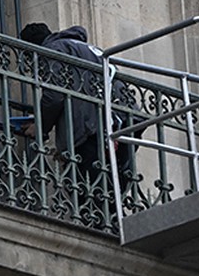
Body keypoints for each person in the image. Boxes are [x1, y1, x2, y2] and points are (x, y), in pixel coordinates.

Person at [19, 22, 134, 191]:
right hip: (124, 122)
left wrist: (40, 127)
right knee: (112, 190)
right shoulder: (85, 47)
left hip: (93, 129)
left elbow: (54, 96)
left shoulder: (51, 49)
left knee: (86, 190)